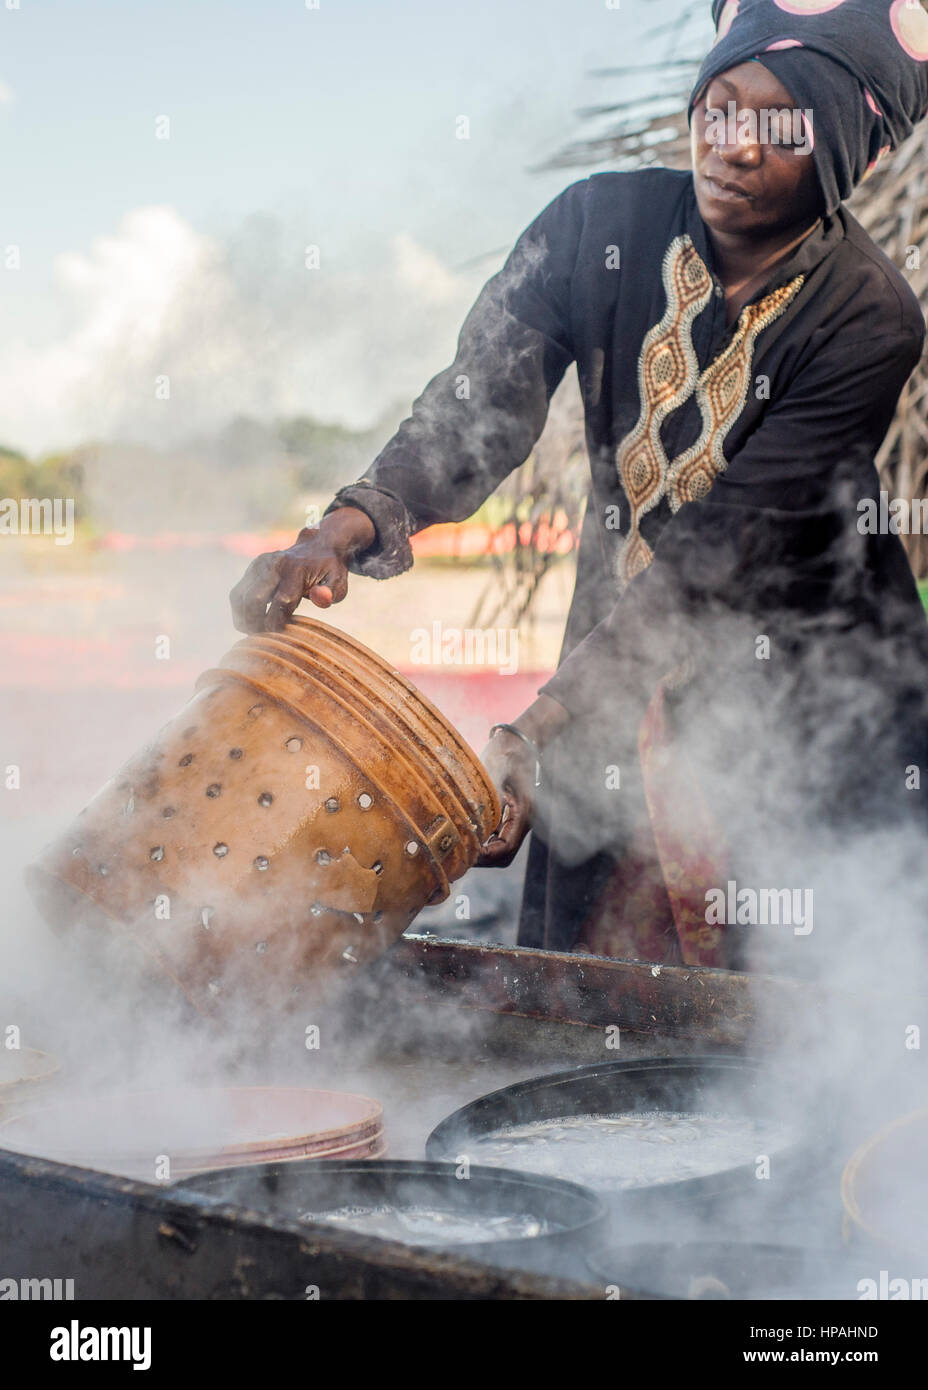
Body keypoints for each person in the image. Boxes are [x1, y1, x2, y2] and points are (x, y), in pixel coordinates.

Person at [231, 0, 928, 972]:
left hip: (807, 699)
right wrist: (340, 530)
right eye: (719, 108)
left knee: (789, 1027)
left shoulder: (867, 317)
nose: (732, 146)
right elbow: (476, 410)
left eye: (781, 128)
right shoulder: (597, 223)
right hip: (609, 672)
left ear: (850, 149)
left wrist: (537, 729)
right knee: (592, 1017)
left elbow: (719, 557)